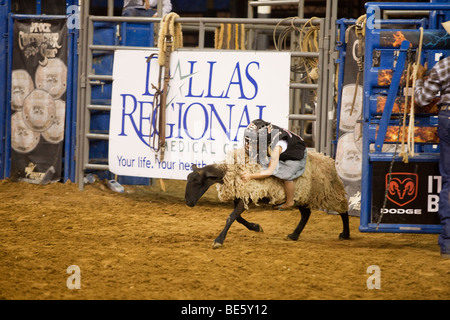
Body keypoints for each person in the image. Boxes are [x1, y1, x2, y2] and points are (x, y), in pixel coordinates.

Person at [414, 21, 450, 259]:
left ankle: (448, 243)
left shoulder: (445, 65)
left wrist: (418, 78)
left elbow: (421, 99)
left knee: (449, 180)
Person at [241, 119, 307, 210]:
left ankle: (290, 202)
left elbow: (270, 171)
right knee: (263, 161)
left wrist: (250, 176)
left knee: (286, 176)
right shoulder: (266, 134)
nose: (248, 145)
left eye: (252, 142)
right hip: (281, 148)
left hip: (295, 154)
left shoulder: (276, 147)